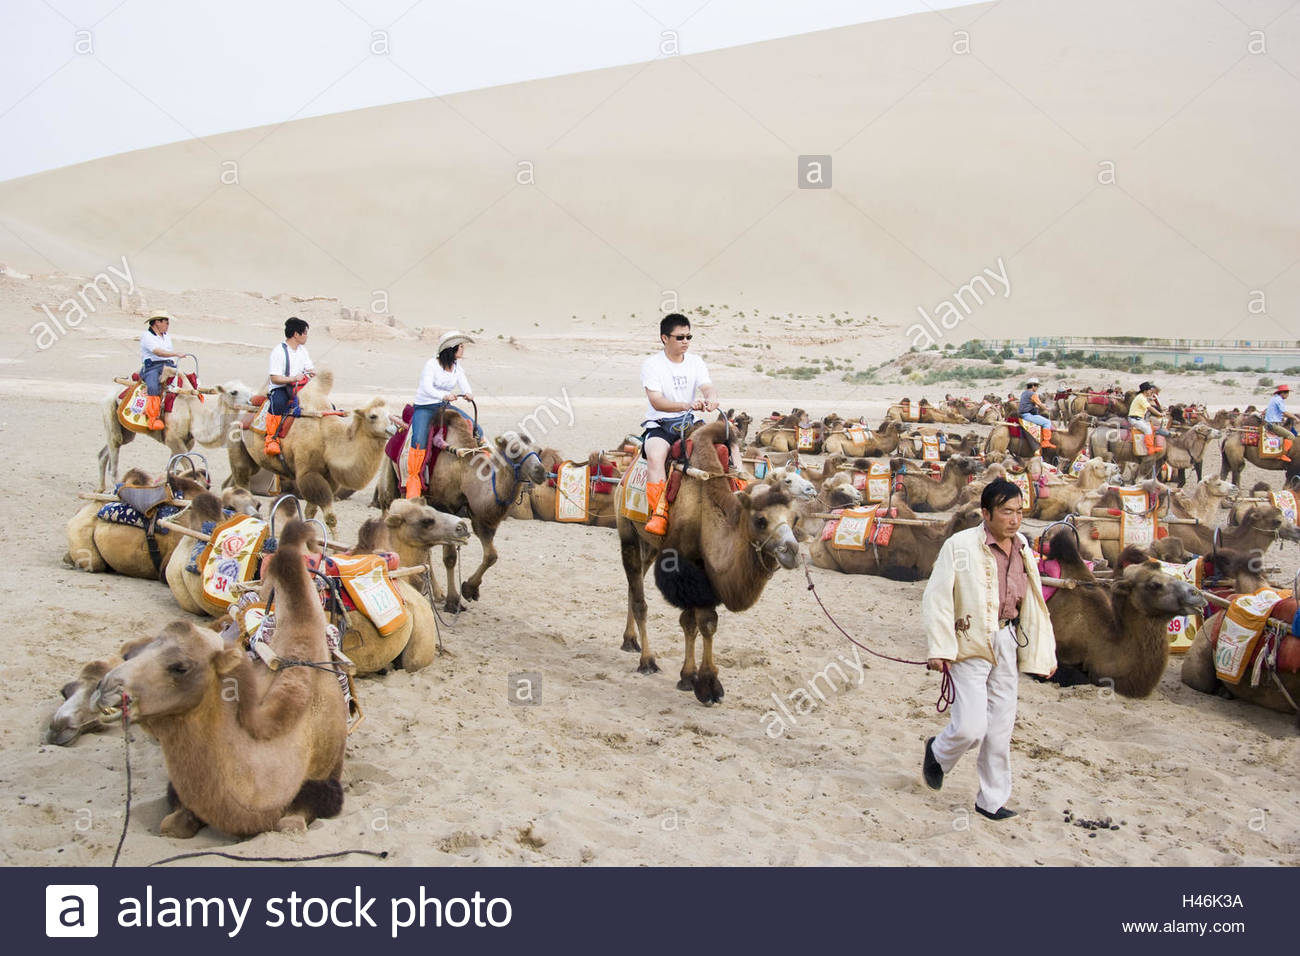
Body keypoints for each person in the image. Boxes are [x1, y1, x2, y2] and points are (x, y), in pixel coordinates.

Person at [920, 478, 1056, 821]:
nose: (1015, 519)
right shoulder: (960, 546)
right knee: (970, 726)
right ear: (986, 513)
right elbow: (936, 596)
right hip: (970, 641)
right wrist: (939, 647)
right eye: (1007, 512)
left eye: (1019, 511)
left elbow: (1034, 602)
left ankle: (991, 800)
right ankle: (938, 751)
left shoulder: (1023, 547)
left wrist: (1043, 653)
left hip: (1008, 639)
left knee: (1000, 727)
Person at [639, 313, 719, 535]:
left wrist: (711, 398)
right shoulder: (652, 365)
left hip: (690, 422)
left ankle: (739, 488)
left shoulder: (695, 362)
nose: (685, 341)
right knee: (655, 456)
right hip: (661, 423)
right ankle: (660, 512)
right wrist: (686, 404)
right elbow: (656, 401)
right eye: (680, 337)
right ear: (665, 338)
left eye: (689, 337)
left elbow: (707, 386)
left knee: (726, 441)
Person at [406, 330, 476, 499]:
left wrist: (468, 393)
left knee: (474, 427)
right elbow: (426, 387)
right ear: (451, 349)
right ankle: (413, 488)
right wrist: (443, 395)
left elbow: (463, 382)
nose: (463, 349)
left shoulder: (457, 367)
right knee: (419, 442)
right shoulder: (431, 364)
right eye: (460, 346)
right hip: (425, 407)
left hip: (444, 407)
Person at [263, 317, 314, 456]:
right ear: (296, 334)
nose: (306, 336)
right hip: (281, 387)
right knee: (278, 403)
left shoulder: (303, 351)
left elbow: (309, 368)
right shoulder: (279, 351)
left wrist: (311, 373)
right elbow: (274, 378)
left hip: (301, 387)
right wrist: (292, 378)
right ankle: (271, 438)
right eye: (305, 333)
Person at [139, 310, 185, 431]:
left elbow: (169, 354)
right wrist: (175, 353)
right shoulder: (147, 336)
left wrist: (175, 361)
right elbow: (157, 351)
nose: (168, 325)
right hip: (153, 367)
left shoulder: (166, 337)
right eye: (166, 322)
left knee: (187, 381)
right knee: (153, 386)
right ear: (157, 322)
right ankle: (152, 419)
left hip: (168, 365)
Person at [1016, 377, 1055, 449]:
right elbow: (1040, 405)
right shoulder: (1033, 394)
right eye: (1037, 386)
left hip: (1022, 414)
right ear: (1033, 386)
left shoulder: (1024, 393)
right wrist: (1048, 409)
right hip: (1027, 415)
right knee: (1047, 422)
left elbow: (1028, 404)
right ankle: (1046, 442)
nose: (1037, 388)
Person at [1264, 383, 1296, 462]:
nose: (1287, 395)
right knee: (1291, 435)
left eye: (1288, 393)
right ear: (1282, 393)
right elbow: (1284, 412)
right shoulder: (1279, 400)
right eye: (1286, 393)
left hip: (1270, 423)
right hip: (1272, 425)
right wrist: (1295, 418)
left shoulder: (1274, 398)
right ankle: (1281, 454)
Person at [1127, 381, 1160, 456]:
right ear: (1145, 391)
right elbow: (1150, 408)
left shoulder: (1143, 397)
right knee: (1147, 429)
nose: (1151, 391)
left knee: (1151, 427)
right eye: (1149, 390)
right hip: (1134, 419)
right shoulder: (1141, 398)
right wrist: (1159, 414)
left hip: (1139, 418)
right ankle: (1150, 448)